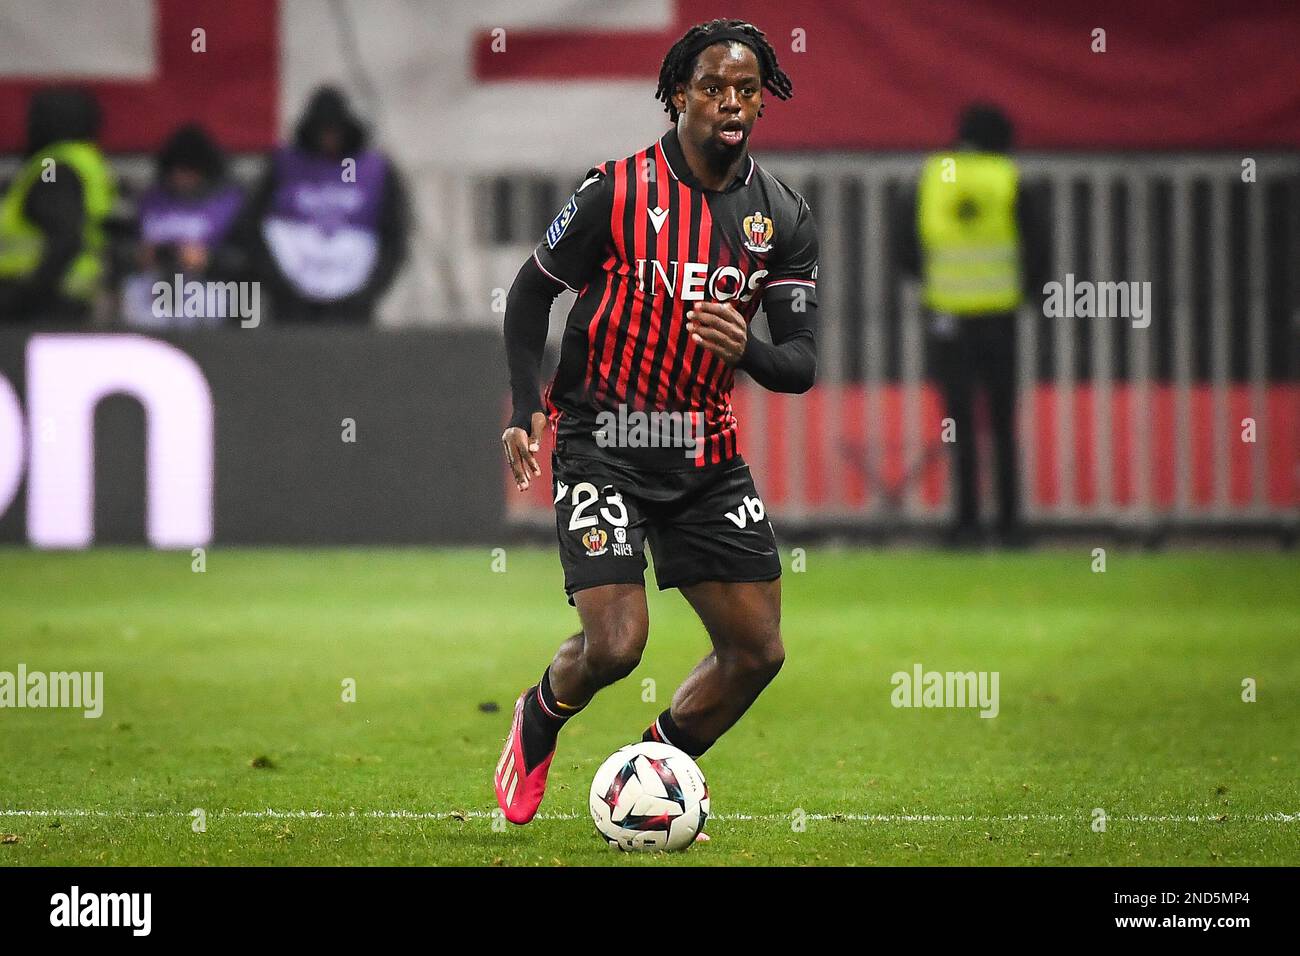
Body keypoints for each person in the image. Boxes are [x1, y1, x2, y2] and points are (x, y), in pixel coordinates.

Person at [495, 18, 818, 829]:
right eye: (712, 88)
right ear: (679, 96)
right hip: (602, 442)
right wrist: (525, 405)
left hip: (705, 454)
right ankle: (540, 715)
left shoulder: (781, 216)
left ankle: (650, 770)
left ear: (762, 102)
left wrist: (748, 348)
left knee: (757, 653)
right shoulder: (615, 191)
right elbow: (531, 292)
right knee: (615, 646)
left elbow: (800, 363)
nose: (730, 103)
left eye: (746, 90)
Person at [895, 103, 1048, 547]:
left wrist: (934, 283)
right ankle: (1010, 525)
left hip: (947, 317)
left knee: (959, 423)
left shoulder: (931, 176)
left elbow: (904, 245)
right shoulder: (1007, 177)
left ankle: (964, 524)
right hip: (999, 316)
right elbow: (1038, 246)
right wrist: (1024, 291)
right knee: (1002, 422)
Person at [244, 86, 409, 323]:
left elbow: (394, 236)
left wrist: (366, 293)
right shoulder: (284, 165)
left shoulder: (372, 169)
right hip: (291, 307)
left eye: (335, 132)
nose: (329, 140)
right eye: (323, 132)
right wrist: (279, 287)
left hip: (352, 305)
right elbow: (254, 229)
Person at [0, 87, 116, 322]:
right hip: (71, 297)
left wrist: (22, 298)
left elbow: (65, 238)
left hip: (41, 304)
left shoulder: (53, 167)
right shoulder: (84, 161)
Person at [121, 124, 246, 327]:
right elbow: (126, 245)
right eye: (176, 171)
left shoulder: (228, 201)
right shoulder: (151, 200)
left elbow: (243, 257)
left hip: (207, 286)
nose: (181, 178)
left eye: (189, 171)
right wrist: (140, 256)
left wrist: (209, 259)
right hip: (153, 284)